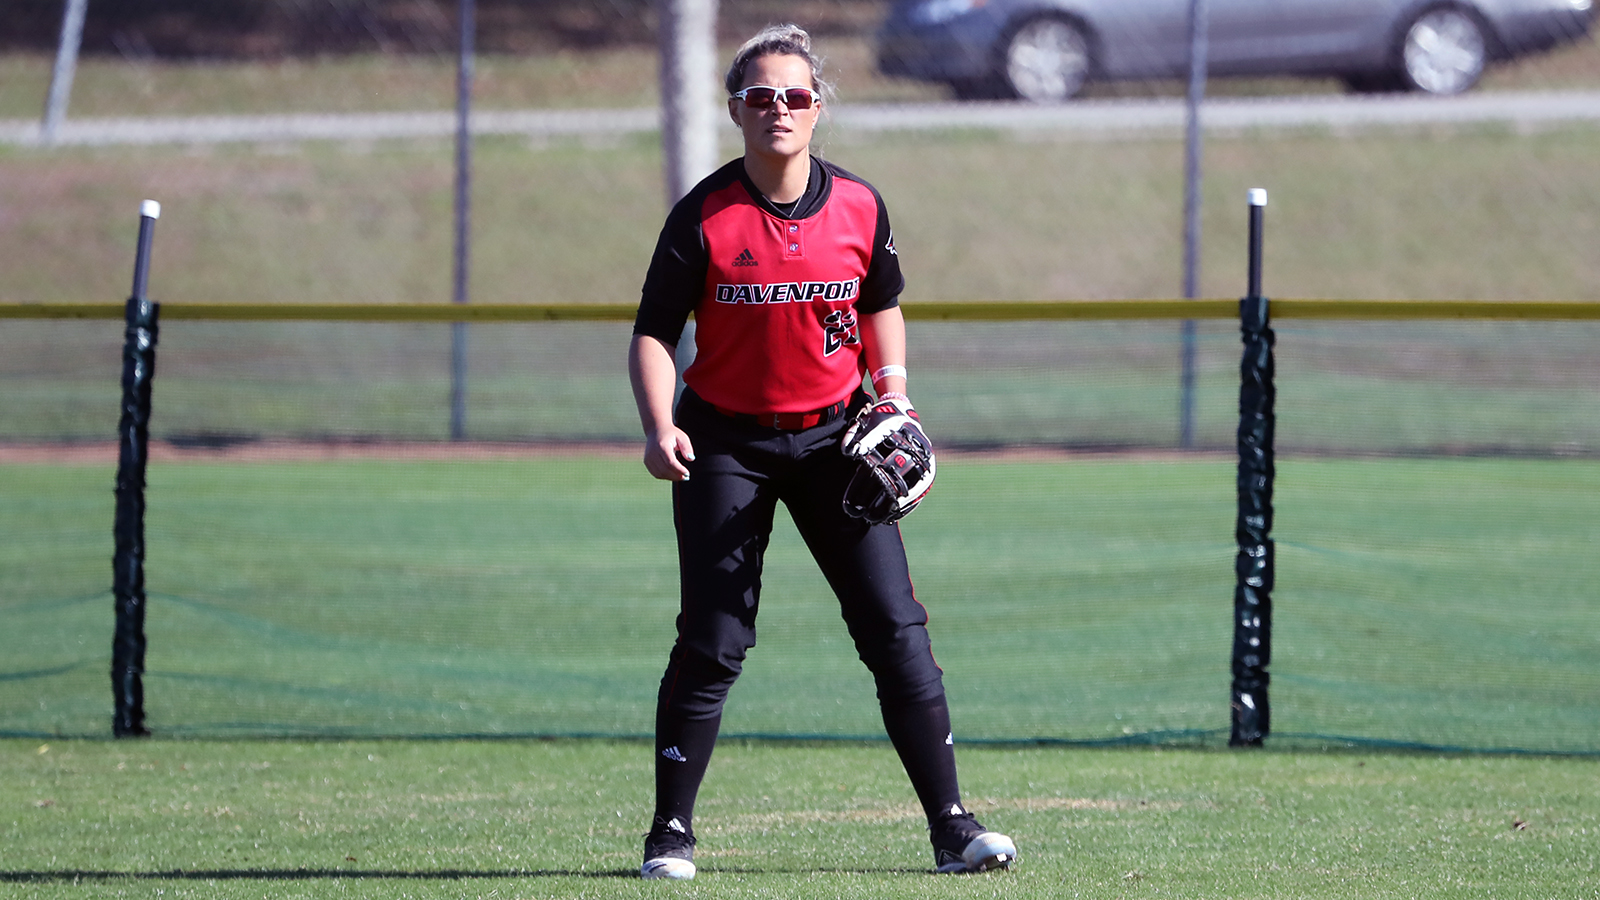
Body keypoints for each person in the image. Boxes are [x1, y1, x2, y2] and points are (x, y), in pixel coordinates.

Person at [627, 23, 1017, 880]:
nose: (779, 109)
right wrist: (662, 425)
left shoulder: (859, 206)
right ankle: (670, 834)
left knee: (895, 630)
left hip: (837, 441)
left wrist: (896, 387)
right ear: (736, 109)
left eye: (796, 96)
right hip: (726, 441)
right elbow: (654, 333)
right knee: (715, 638)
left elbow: (881, 302)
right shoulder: (704, 216)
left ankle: (953, 828)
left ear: (817, 109)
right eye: (762, 97)